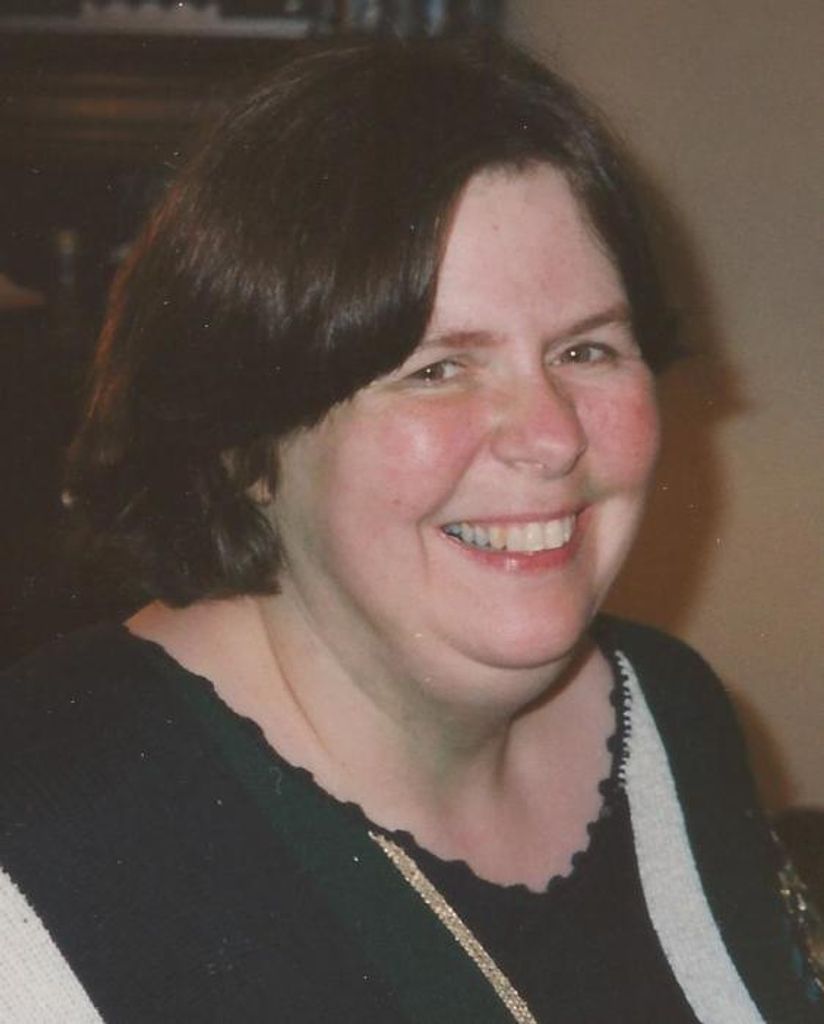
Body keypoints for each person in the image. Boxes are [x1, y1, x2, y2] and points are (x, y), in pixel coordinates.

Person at [0, 38, 820, 1024]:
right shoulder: (41, 836)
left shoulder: (674, 718)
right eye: (438, 368)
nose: (552, 436)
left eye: (586, 349)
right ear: (244, 443)